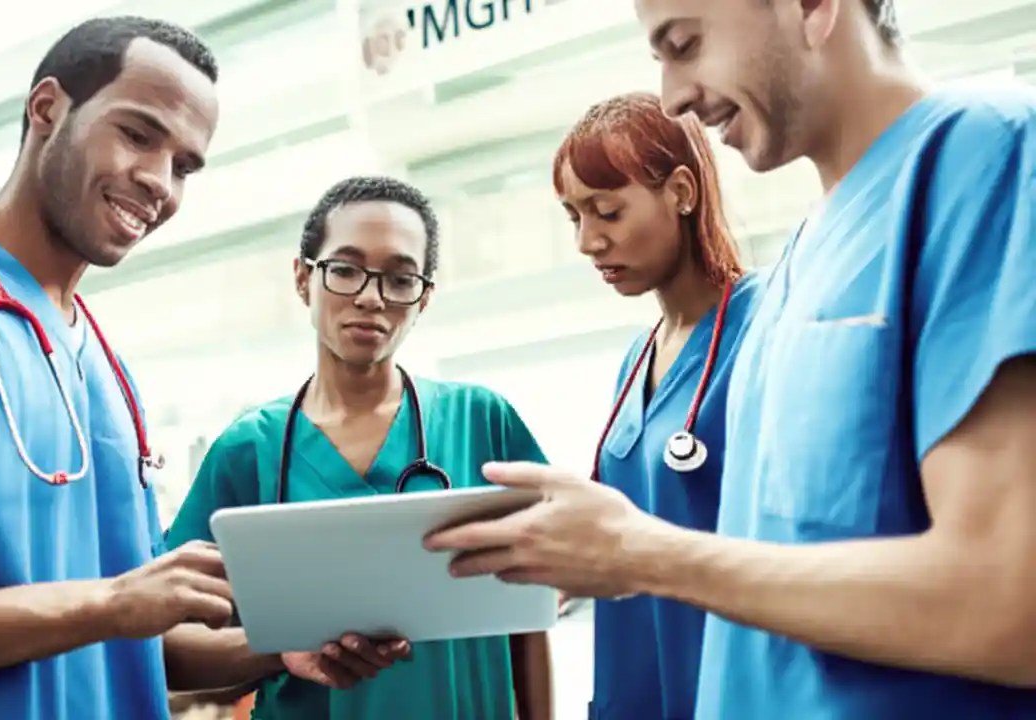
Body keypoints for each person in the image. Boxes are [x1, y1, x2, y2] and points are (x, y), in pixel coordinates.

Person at [0, 16, 391, 720]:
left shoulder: (105, 369)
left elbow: (125, 645)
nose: (159, 181)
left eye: (185, 166)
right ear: (47, 110)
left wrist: (278, 652)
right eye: (137, 134)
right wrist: (110, 603)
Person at [426, 0, 1036, 718]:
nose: (673, 95)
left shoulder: (985, 156)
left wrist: (638, 553)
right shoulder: (804, 262)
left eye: (684, 44)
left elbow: (1012, 603)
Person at [165, 175, 554, 719]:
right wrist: (277, 651)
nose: (371, 297)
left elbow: (528, 614)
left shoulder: (481, 421)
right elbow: (165, 642)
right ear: (304, 278)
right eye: (345, 270)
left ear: (425, 298)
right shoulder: (248, 449)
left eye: (400, 279)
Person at [553, 92, 760, 720]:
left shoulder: (764, 326)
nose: (589, 242)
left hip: (728, 695)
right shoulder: (636, 360)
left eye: (607, 211)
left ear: (681, 191)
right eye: (573, 217)